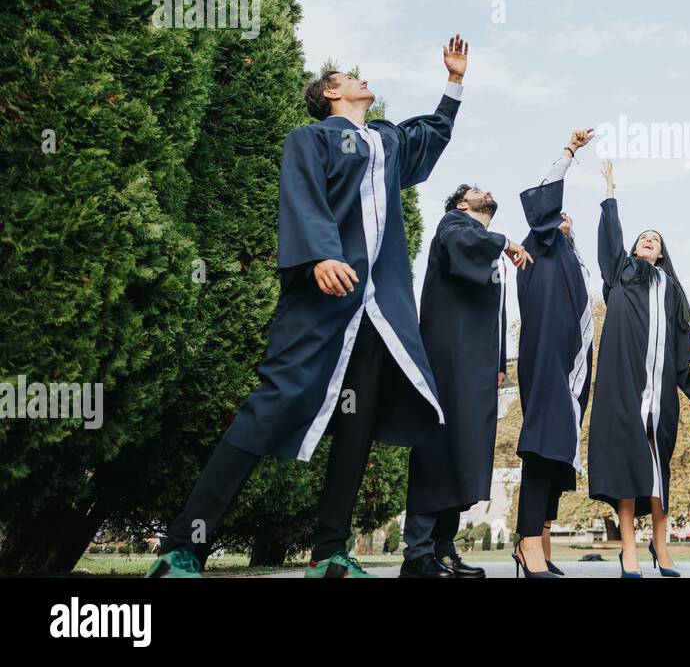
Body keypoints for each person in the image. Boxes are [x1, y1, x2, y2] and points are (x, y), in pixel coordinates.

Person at [147, 37, 472, 578]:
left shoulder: (386, 141)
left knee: (358, 423)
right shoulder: (312, 138)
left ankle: (329, 553)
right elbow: (301, 195)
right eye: (348, 75)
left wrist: (454, 82)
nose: (361, 78)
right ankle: (183, 546)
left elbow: (430, 138)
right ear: (330, 92)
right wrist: (321, 252)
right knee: (270, 403)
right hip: (325, 298)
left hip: (378, 312)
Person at [400, 180, 532, 578]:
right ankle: (417, 553)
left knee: (467, 452)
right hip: (448, 357)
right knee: (439, 446)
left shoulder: (481, 241)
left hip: (476, 364)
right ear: (462, 202)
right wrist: (504, 240)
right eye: (478, 189)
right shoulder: (454, 226)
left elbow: (494, 314)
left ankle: (443, 548)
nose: (488, 190)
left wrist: (497, 364)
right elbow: (463, 247)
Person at [587, 159, 690, 577]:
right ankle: (629, 549)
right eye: (642, 237)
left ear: (662, 253)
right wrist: (609, 192)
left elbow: (683, 342)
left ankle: (660, 544)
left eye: (654, 239)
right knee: (625, 461)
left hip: (659, 394)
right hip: (623, 387)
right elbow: (610, 240)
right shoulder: (621, 273)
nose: (647, 240)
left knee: (659, 465)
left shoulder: (671, 289)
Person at [512, 128, 597, 578]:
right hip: (547, 358)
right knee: (543, 443)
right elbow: (544, 197)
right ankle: (528, 545)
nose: (562, 217)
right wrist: (569, 151)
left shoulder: (568, 252)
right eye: (556, 214)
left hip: (571, 365)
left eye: (566, 216)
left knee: (560, 449)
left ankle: (541, 540)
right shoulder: (540, 245)